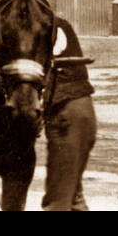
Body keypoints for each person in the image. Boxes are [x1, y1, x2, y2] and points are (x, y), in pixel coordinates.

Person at [43, 16, 97, 210]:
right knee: (74, 196)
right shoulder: (61, 24)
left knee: (59, 202)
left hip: (64, 115)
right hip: (84, 110)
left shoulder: (33, 28)